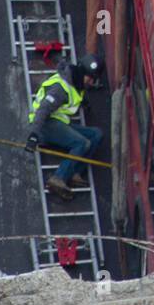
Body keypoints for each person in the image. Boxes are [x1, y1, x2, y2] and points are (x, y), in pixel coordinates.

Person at [26, 54, 105, 201]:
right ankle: (58, 178)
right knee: (82, 143)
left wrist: (84, 103)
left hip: (59, 122)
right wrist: (33, 135)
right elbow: (42, 110)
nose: (90, 82)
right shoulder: (60, 89)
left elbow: (76, 95)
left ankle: (74, 172)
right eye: (89, 78)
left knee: (96, 134)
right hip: (45, 125)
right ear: (82, 74)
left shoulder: (76, 82)